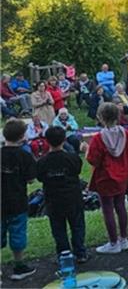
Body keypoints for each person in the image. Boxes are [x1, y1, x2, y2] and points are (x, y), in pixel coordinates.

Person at [86, 102, 128, 254]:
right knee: (121, 206)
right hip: (122, 175)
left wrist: (85, 149)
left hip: (105, 177)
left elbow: (93, 159)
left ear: (100, 118)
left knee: (108, 209)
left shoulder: (99, 138)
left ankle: (113, 242)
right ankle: (124, 239)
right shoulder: (127, 134)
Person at [37, 126, 88, 264]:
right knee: (77, 225)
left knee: (58, 228)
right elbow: (77, 170)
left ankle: (64, 254)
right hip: (73, 196)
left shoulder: (43, 162)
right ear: (64, 140)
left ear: (47, 141)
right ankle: (80, 252)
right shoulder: (72, 158)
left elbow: (40, 177)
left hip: (53, 198)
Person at [2, 119, 37, 280]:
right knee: (18, 233)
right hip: (17, 200)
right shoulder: (25, 156)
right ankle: (19, 266)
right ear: (23, 136)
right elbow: (31, 179)